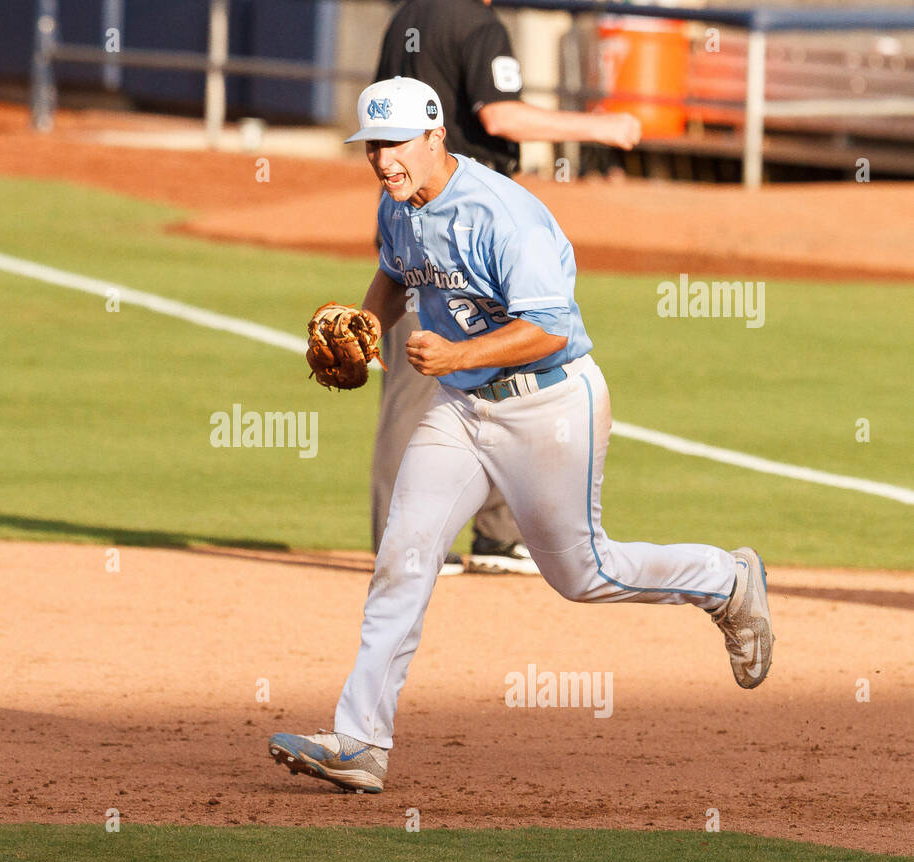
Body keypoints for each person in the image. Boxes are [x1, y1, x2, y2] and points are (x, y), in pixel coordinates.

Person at [267, 77, 774, 795]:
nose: (382, 161)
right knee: (403, 557)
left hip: (552, 407)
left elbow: (550, 327)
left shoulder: (503, 214)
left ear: (436, 136)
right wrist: (372, 322)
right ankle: (360, 740)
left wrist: (455, 355)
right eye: (373, 146)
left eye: (395, 144)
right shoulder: (397, 204)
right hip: (460, 412)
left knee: (583, 575)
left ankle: (726, 580)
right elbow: (393, 274)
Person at [371, 0, 642, 577]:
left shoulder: (407, 16)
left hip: (421, 216)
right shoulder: (480, 24)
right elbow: (499, 117)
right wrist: (598, 126)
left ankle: (487, 534)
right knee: (450, 381)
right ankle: (422, 545)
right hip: (465, 219)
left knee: (462, 381)